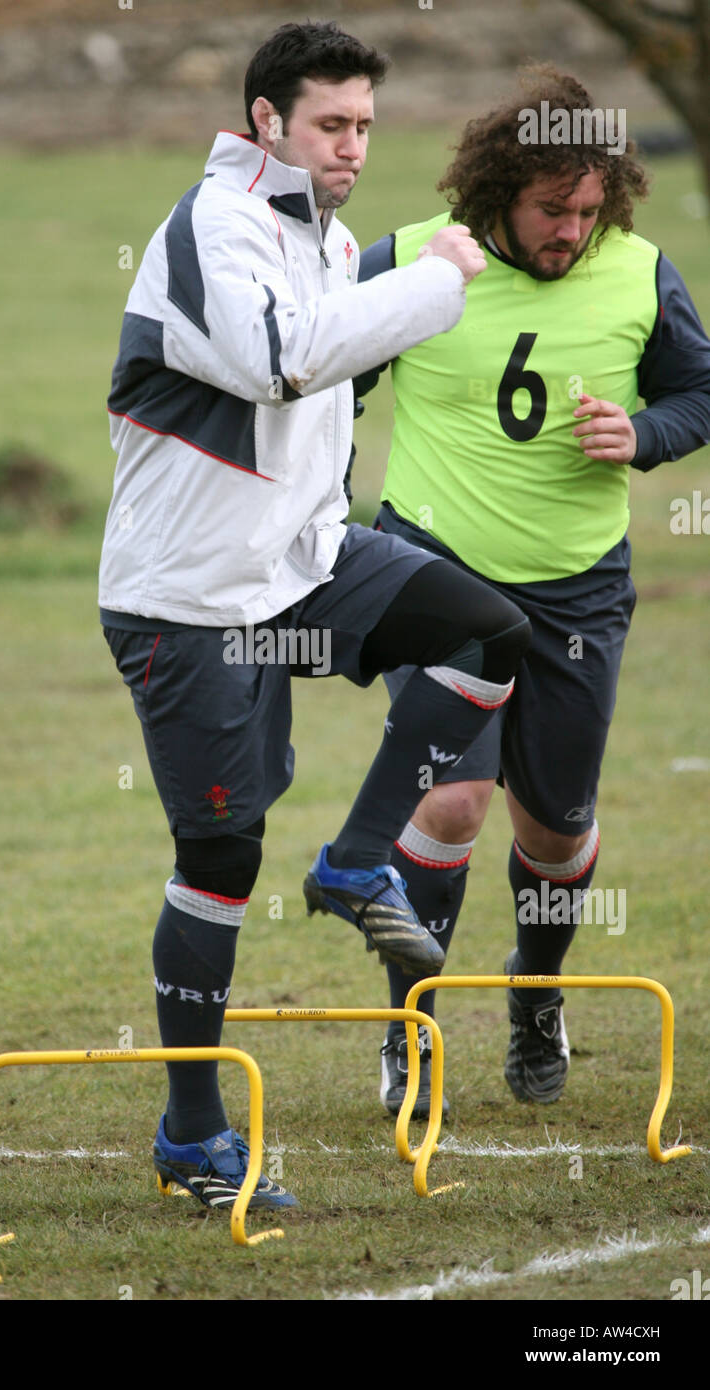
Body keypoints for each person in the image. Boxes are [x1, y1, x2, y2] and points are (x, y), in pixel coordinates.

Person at [99, 21, 531, 1213]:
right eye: (330, 125)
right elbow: (280, 362)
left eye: (363, 128)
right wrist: (438, 277)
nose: (350, 148)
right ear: (264, 122)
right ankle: (191, 1134)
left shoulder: (326, 237)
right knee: (220, 860)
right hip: (186, 601)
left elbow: (326, 397)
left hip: (301, 566)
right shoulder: (211, 228)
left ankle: (352, 863)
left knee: (488, 636)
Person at [355, 65, 710, 1121]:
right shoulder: (416, 262)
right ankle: (410, 1031)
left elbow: (698, 391)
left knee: (553, 830)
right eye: (550, 210)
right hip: (433, 575)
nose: (569, 232)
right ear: (493, 191)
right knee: (450, 798)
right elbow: (321, 380)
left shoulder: (639, 272)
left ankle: (535, 991)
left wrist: (642, 434)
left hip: (575, 593)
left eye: (587, 212)